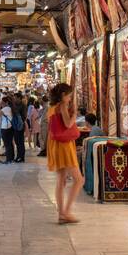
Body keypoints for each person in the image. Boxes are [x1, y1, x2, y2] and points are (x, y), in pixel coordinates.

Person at [47, 83, 83, 224]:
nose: (69, 98)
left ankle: (62, 214)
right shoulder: (61, 106)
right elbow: (68, 124)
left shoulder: (51, 108)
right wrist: (74, 114)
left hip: (55, 144)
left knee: (61, 181)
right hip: (64, 145)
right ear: (63, 95)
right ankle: (67, 212)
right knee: (79, 180)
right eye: (69, 95)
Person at [11, 93, 27, 163]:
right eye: (14, 98)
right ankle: (18, 156)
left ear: (20, 98)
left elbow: (24, 116)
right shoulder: (14, 105)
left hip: (20, 126)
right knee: (17, 141)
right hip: (15, 125)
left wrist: (20, 123)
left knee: (20, 142)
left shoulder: (23, 106)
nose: (15, 99)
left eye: (16, 98)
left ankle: (21, 157)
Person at [0, 95, 14, 162]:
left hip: (5, 128)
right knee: (10, 143)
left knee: (7, 144)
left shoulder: (5, 109)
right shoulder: (10, 108)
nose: (2, 103)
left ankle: (8, 159)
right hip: (10, 127)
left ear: (6, 102)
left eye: (2, 102)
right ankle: (11, 158)